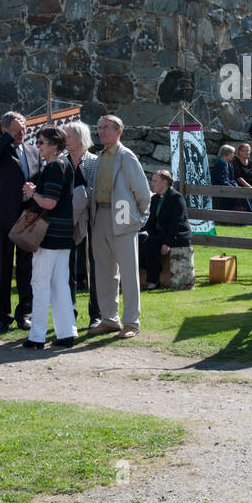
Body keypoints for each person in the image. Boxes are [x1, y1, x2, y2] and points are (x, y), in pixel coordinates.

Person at [87, 114, 152, 339]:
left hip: (123, 219)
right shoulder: (98, 157)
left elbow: (143, 192)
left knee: (128, 272)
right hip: (101, 216)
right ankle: (109, 319)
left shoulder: (126, 156)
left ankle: (131, 322)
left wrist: (141, 218)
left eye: (106, 127)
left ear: (118, 131)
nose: (102, 131)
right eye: (100, 127)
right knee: (104, 272)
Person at [0, 111, 40, 331]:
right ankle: (3, 317)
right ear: (5, 130)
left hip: (26, 217)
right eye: (17, 129)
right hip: (2, 217)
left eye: (24, 129)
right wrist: (9, 134)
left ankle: (24, 313)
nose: (21, 133)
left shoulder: (33, 151)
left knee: (26, 268)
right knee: (3, 268)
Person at [21, 126, 76, 350]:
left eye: (42, 142)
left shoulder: (54, 166)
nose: (39, 146)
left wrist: (32, 193)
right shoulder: (67, 164)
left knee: (41, 284)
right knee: (60, 284)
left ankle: (37, 337)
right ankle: (66, 333)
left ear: (54, 145)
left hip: (49, 234)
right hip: (63, 235)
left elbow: (49, 203)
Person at [65, 122, 101, 329]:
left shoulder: (95, 162)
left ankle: (95, 314)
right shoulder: (61, 161)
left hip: (91, 222)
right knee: (66, 270)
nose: (65, 139)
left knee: (93, 269)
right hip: (67, 222)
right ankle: (68, 312)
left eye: (68, 136)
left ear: (79, 138)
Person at [139, 170, 191, 289]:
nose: (152, 184)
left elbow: (176, 223)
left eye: (155, 181)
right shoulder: (155, 198)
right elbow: (150, 222)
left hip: (177, 234)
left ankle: (154, 281)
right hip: (160, 234)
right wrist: (149, 234)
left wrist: (167, 243)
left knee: (150, 244)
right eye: (152, 181)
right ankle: (156, 268)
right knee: (140, 241)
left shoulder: (176, 197)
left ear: (165, 182)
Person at [211, 144, 239, 211]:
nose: (233, 155)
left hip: (227, 187)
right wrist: (233, 188)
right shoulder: (219, 164)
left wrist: (236, 186)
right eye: (232, 153)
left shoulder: (229, 164)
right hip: (220, 189)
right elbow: (222, 180)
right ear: (226, 154)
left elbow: (232, 179)